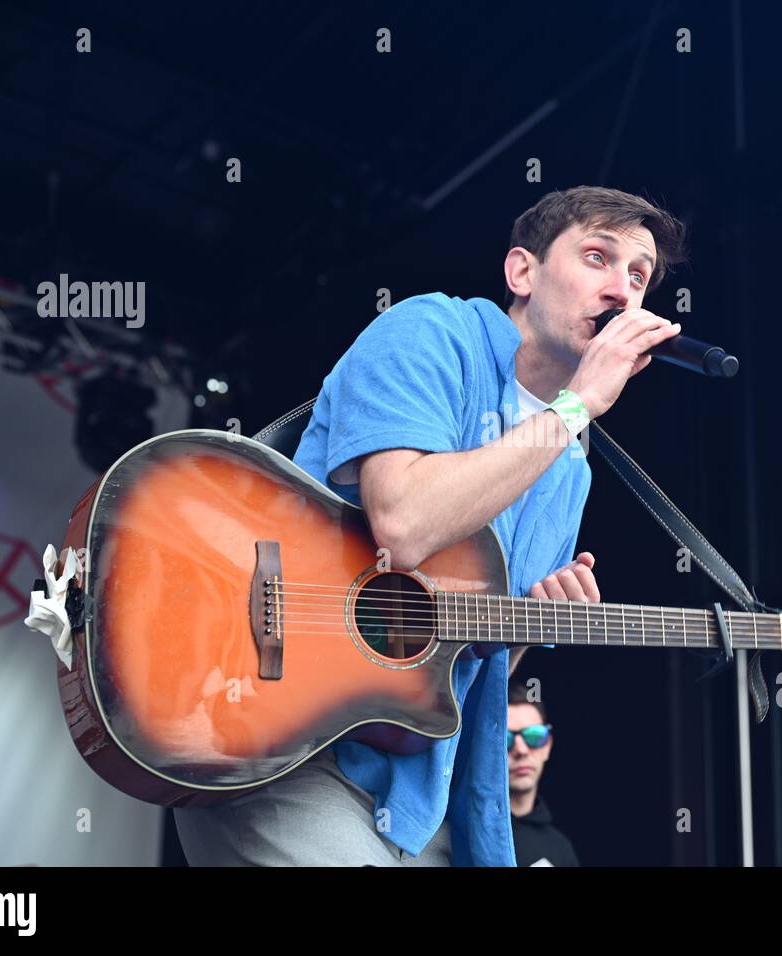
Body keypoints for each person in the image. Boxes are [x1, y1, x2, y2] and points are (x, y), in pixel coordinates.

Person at [174, 185, 687, 866]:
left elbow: (471, 658)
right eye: (598, 257)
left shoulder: (570, 467)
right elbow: (405, 525)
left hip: (420, 786)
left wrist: (527, 625)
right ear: (522, 272)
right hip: (283, 742)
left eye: (639, 276)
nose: (622, 289)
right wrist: (578, 404)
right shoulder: (431, 331)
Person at [508, 682, 580, 866]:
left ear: (547, 746)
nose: (521, 750)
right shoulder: (459, 834)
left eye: (534, 736)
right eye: (505, 739)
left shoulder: (560, 849)